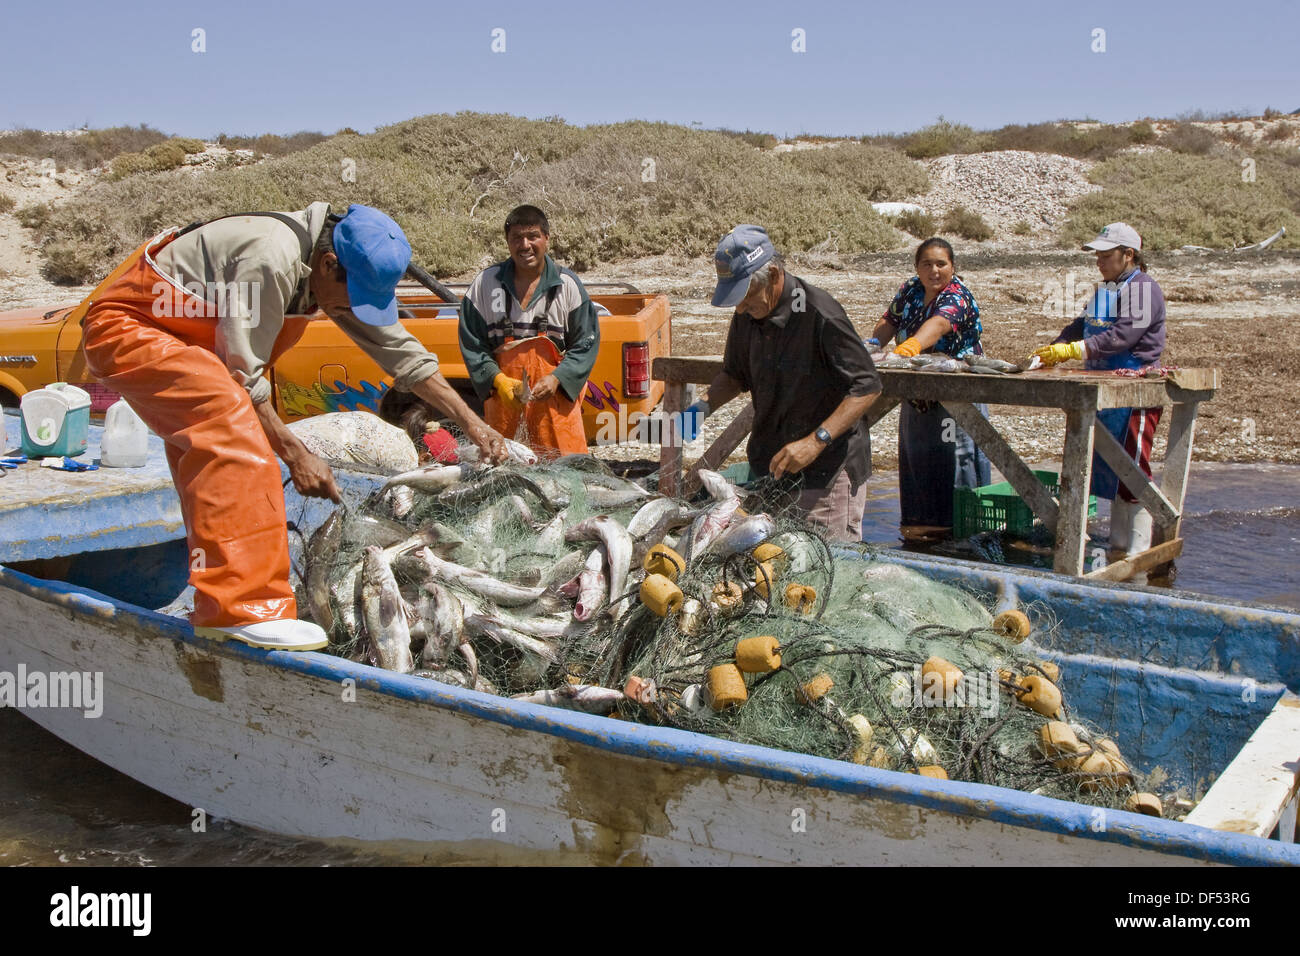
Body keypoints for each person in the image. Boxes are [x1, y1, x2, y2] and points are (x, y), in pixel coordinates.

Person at [77, 203, 507, 651]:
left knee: (207, 459)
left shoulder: (326, 273)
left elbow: (402, 355)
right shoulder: (271, 257)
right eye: (352, 298)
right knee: (232, 429)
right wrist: (297, 454)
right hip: (129, 331)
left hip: (190, 348)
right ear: (328, 264)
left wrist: (473, 424)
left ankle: (215, 595)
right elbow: (242, 377)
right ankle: (242, 610)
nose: (351, 310)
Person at [683, 225, 881, 542]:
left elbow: (867, 387)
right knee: (778, 563)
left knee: (819, 564)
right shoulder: (747, 314)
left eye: (746, 297)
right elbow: (735, 374)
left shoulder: (819, 313)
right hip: (773, 469)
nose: (741, 308)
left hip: (825, 472)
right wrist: (700, 407)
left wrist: (816, 441)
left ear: (774, 275)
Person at [1032, 222, 1166, 570]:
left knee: (1132, 468)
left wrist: (1074, 351)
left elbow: (1122, 338)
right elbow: (1083, 324)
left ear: (1129, 255)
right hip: (1101, 386)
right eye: (1098, 256)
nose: (1100, 262)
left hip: (1133, 390)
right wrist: (1060, 344)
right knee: (1102, 466)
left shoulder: (1143, 289)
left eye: (1106, 256)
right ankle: (1118, 547)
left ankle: (1135, 553)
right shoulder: (1108, 288)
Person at [870, 237, 990, 536]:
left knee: (957, 459)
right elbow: (890, 319)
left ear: (952, 267)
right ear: (917, 267)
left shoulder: (957, 295)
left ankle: (962, 532)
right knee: (917, 458)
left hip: (956, 392)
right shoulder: (911, 288)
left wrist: (911, 345)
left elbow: (937, 325)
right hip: (918, 393)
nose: (934, 270)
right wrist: (873, 345)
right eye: (927, 264)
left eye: (941, 264)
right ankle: (919, 530)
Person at [458, 205, 599, 456]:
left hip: (556, 406)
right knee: (503, 471)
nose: (525, 245)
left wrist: (557, 378)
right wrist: (498, 380)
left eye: (532, 236)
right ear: (507, 242)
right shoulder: (484, 284)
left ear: (546, 238)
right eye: (516, 238)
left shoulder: (568, 285)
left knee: (564, 475)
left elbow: (586, 343)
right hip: (504, 405)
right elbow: (472, 344)